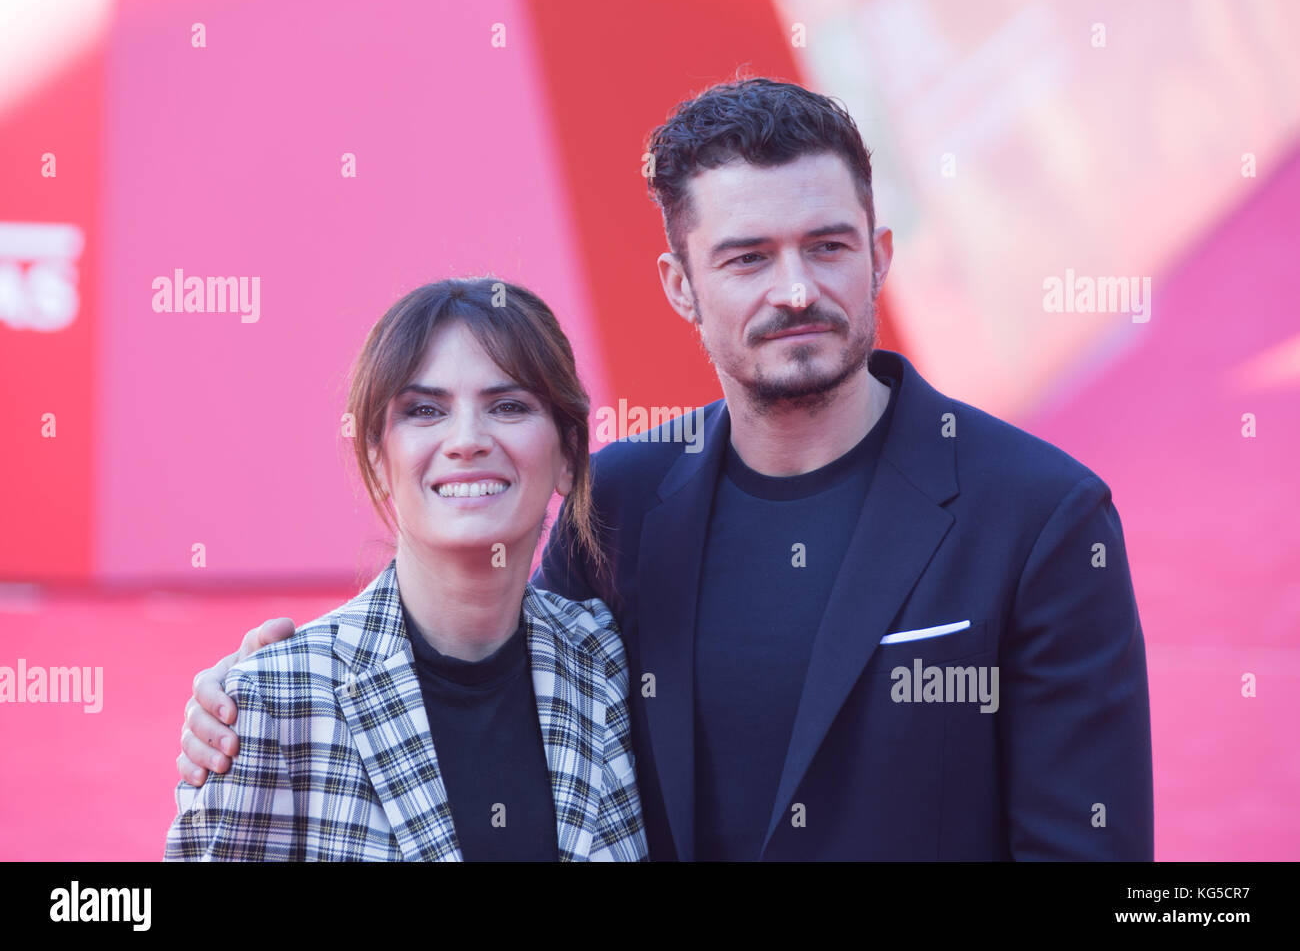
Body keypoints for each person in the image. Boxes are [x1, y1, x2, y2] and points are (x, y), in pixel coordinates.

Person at [177, 78, 1154, 860]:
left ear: (880, 254)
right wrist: (273, 686)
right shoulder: (628, 503)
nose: (796, 289)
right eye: (746, 258)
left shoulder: (1040, 515)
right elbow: (494, 668)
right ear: (679, 285)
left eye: (827, 246)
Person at [165, 278, 647, 861]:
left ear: (569, 455)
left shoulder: (609, 661)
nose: (466, 440)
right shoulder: (274, 702)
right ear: (379, 459)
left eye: (509, 406)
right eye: (425, 411)